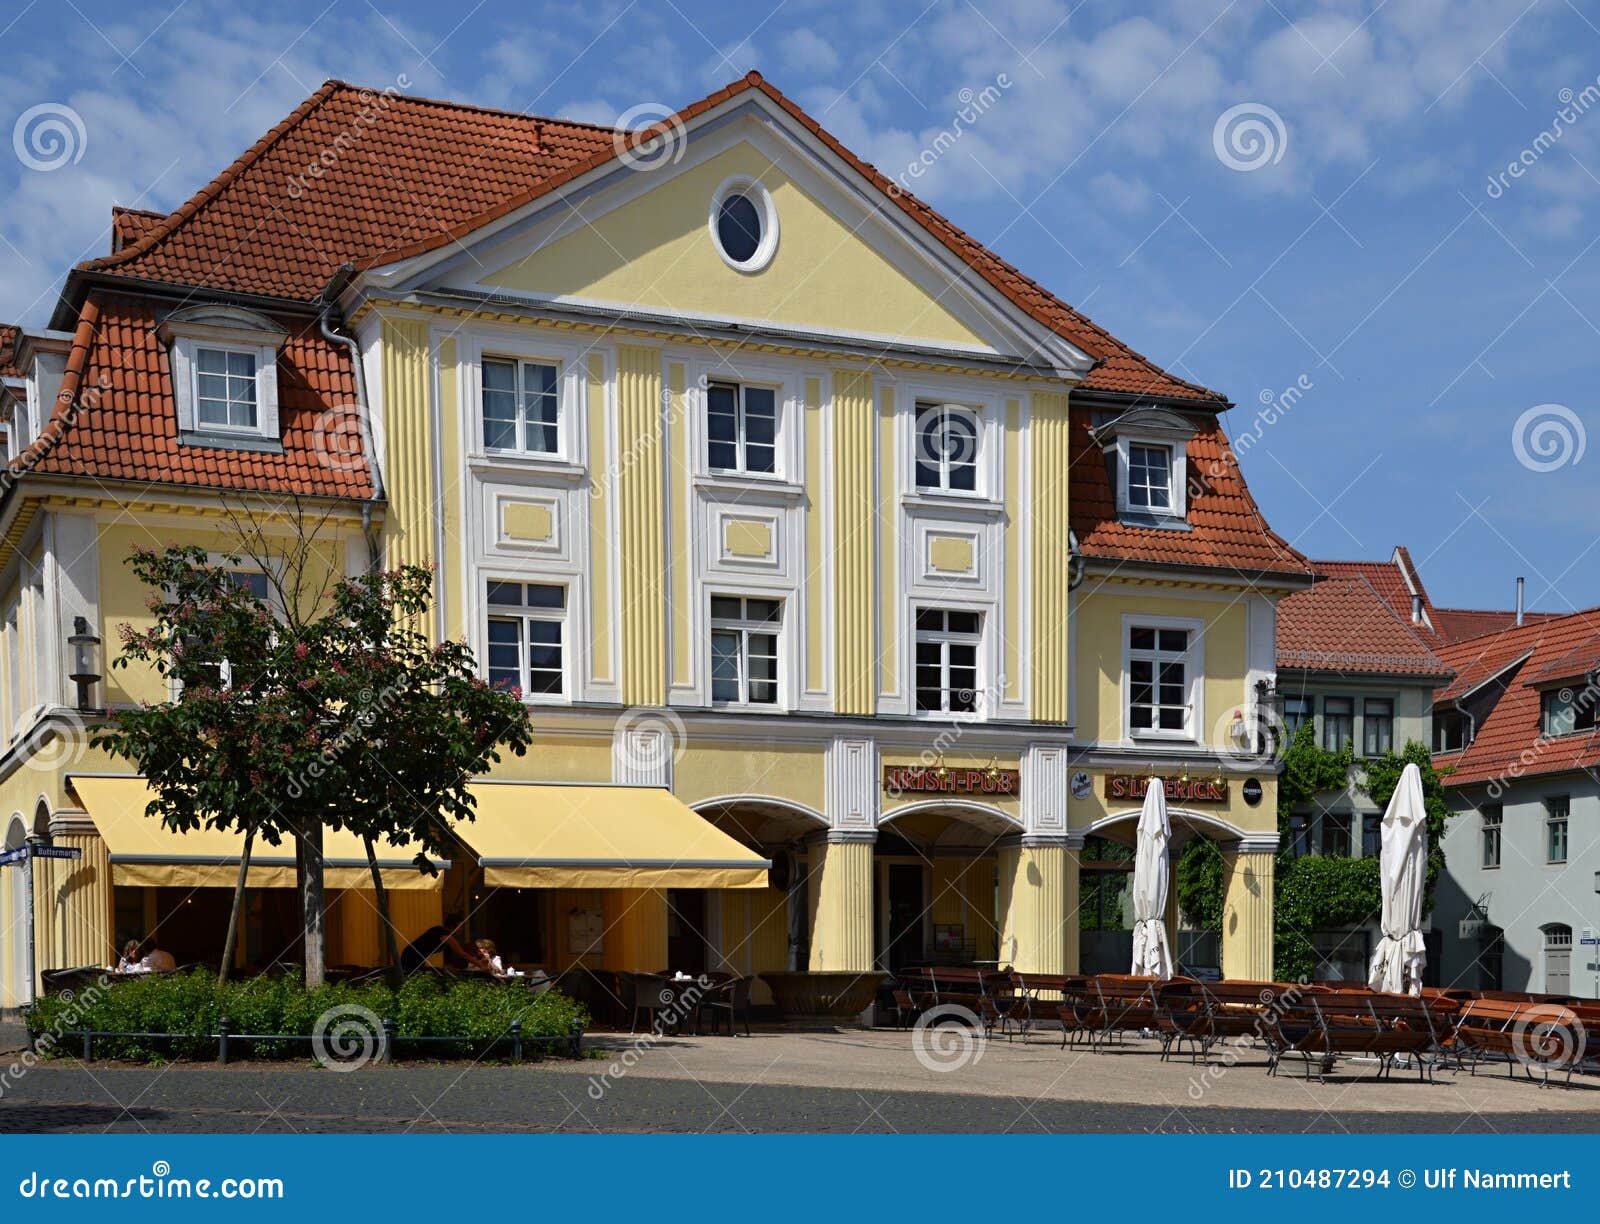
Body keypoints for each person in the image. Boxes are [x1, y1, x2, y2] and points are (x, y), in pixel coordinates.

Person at [399, 922, 478, 974]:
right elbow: (462, 954)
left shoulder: (438, 930)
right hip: (411, 959)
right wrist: (481, 965)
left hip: (412, 956)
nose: (462, 928)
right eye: (460, 926)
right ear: (452, 926)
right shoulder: (445, 935)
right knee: (436, 973)